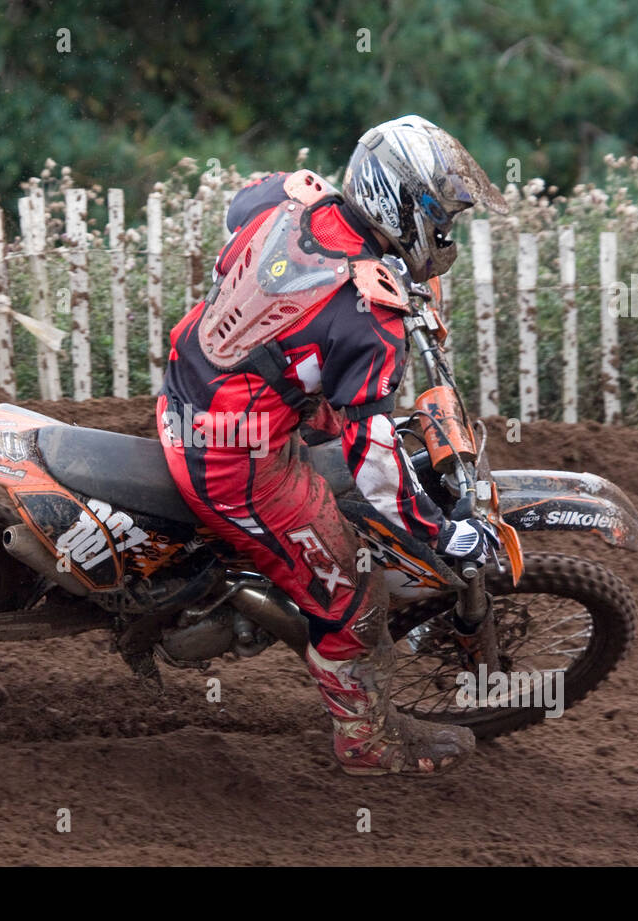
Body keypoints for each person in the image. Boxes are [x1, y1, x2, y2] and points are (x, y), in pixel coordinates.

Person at [156, 115, 507, 776]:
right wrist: (442, 533)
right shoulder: (367, 321)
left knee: (331, 428)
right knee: (353, 598)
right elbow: (374, 464)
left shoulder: (287, 196)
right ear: (400, 206)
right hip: (234, 457)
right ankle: (368, 747)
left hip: (195, 378)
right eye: (442, 216)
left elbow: (238, 232)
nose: (449, 231)